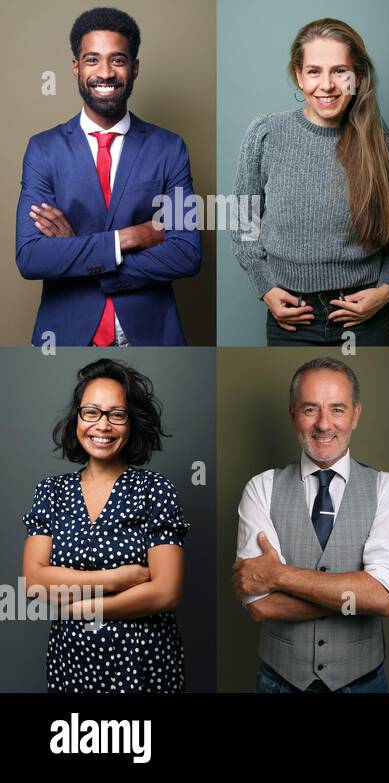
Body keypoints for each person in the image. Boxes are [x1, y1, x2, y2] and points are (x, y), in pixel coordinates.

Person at [16, 7, 201, 347]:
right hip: (65, 334)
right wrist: (128, 238)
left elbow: (187, 254)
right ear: (76, 68)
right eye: (92, 60)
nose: (105, 73)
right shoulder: (43, 150)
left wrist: (76, 252)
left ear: (134, 68)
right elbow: (31, 257)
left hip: (152, 334)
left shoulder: (169, 148)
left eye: (117, 60)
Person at [232, 357, 389, 693]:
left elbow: (384, 597)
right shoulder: (261, 488)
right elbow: (261, 604)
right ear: (292, 415)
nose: (324, 424)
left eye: (338, 409)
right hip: (279, 683)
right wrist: (356, 597)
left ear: (356, 415)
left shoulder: (388, 489)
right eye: (310, 409)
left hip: (364, 684)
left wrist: (280, 576)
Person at [232, 18, 389, 346]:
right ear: (299, 76)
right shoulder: (266, 134)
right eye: (314, 71)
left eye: (340, 71)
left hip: (364, 319)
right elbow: (242, 222)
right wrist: (265, 288)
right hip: (290, 318)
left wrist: (385, 291)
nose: (327, 85)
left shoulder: (380, 146)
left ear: (357, 77)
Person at [21, 358, 186, 692]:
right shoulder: (51, 492)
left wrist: (84, 607)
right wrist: (117, 578)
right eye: (91, 412)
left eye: (117, 414)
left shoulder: (155, 489)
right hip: (72, 662)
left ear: (132, 423)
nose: (103, 425)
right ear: (77, 418)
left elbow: (166, 592)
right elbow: (35, 582)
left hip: (142, 662)